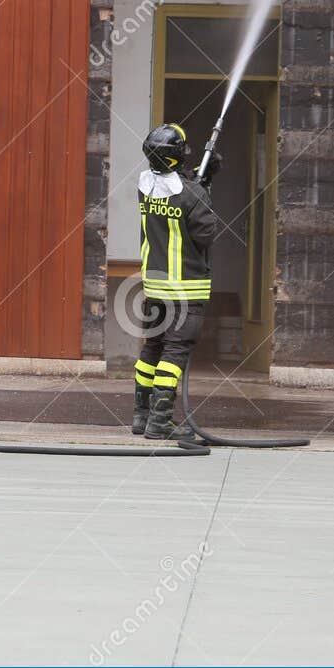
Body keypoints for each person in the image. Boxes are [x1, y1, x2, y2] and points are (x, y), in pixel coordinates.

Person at [132, 122, 219, 440]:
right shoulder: (193, 194)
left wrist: (197, 183)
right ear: (178, 157)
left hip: (153, 287)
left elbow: (173, 191)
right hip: (185, 288)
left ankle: (141, 417)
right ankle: (160, 421)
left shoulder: (143, 185)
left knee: (152, 348)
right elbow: (206, 234)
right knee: (175, 351)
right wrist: (205, 187)